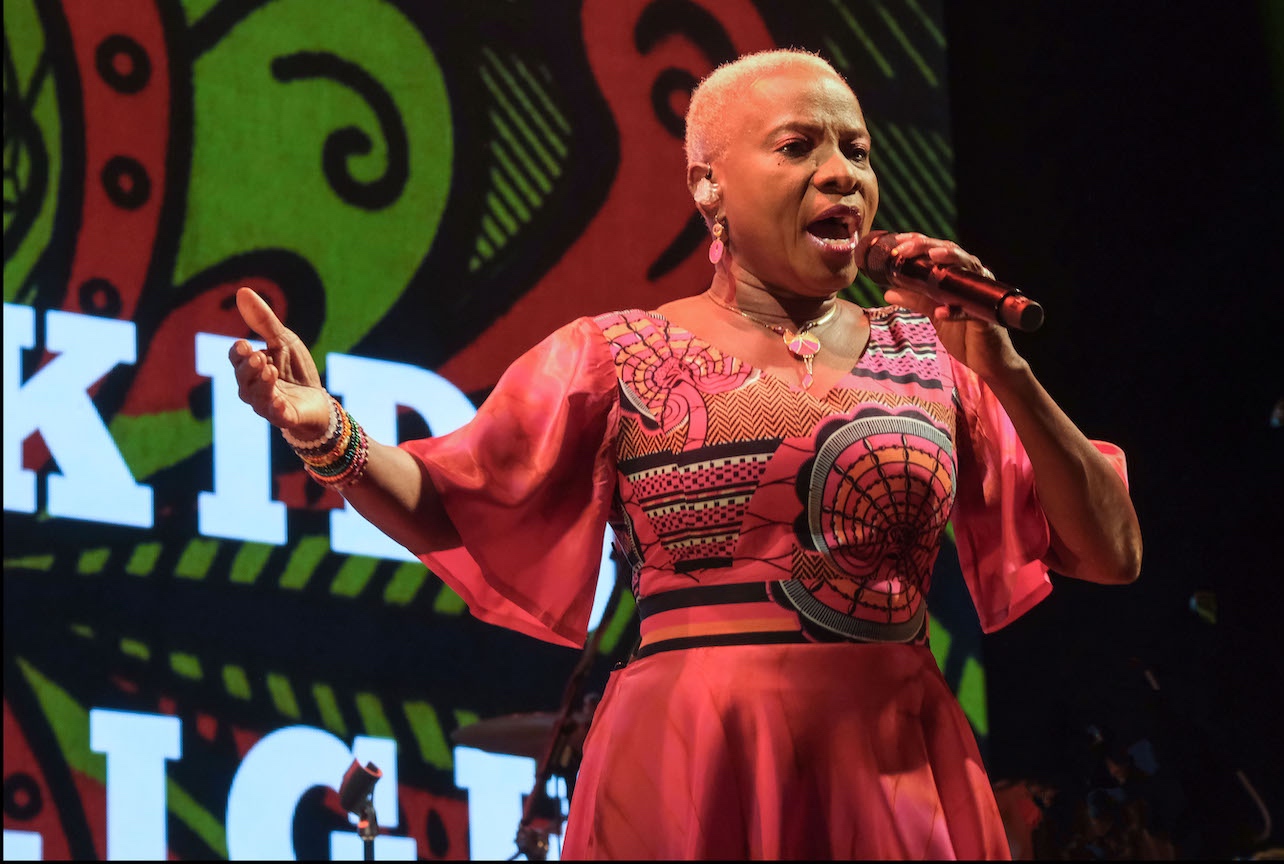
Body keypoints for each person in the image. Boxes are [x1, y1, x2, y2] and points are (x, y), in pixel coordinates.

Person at [229, 48, 1141, 860]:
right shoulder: (613, 354)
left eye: (858, 151)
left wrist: (1006, 368)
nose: (842, 174)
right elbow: (451, 498)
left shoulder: (934, 356)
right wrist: (326, 431)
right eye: (798, 147)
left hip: (893, 760)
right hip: (692, 752)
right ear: (708, 185)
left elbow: (1110, 551)